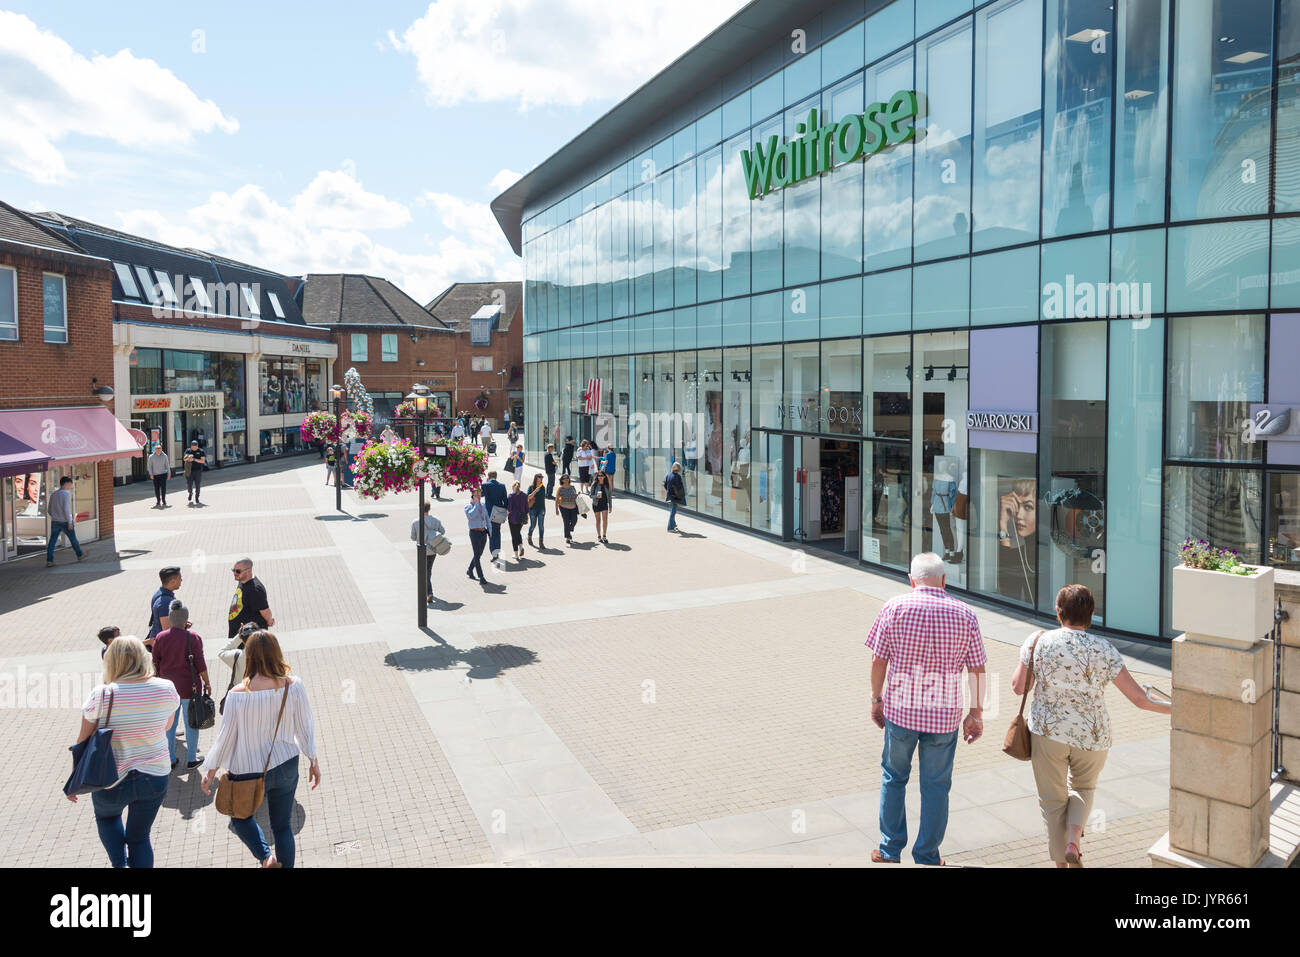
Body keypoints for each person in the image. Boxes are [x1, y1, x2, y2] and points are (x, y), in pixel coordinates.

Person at [1012, 584, 1171, 867]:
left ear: (1058, 613)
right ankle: (1074, 837)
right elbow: (1138, 698)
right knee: (1084, 788)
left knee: (1052, 802)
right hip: (1094, 735)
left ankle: (1062, 862)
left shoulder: (1038, 641)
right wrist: (1177, 710)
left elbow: (1018, 687)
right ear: (1092, 615)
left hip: (1048, 733)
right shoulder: (1104, 649)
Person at [865, 552, 987, 866]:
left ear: (912, 580)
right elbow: (977, 669)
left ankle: (890, 850)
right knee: (936, 786)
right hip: (944, 718)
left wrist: (876, 699)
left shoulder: (894, 607)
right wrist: (975, 714)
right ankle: (928, 855)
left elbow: (879, 660)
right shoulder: (966, 614)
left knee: (894, 778)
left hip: (901, 712)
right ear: (944, 580)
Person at [200, 631, 320, 868]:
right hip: (286, 763)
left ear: (249, 655)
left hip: (247, 768)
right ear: (277, 652)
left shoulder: (236, 695)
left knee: (240, 817)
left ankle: (266, 858)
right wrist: (313, 760)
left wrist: (211, 769)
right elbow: (305, 726)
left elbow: (226, 738)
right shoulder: (293, 686)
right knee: (282, 825)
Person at [68, 636, 178, 868]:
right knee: (140, 837)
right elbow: (167, 726)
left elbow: (83, 740)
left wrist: (74, 779)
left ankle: (120, 865)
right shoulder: (166, 688)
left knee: (107, 818)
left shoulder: (101, 694)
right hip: (155, 775)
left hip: (111, 778)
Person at [151, 600, 210, 771]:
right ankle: (191, 759)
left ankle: (169, 758)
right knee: (192, 722)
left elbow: (155, 663)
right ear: (186, 619)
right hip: (189, 687)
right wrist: (207, 682)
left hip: (167, 689)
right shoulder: (193, 637)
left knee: (169, 725)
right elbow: (201, 664)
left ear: (170, 617)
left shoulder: (161, 638)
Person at [228, 558, 274, 640]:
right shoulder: (242, 580)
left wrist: (269, 621)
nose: (234, 573)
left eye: (238, 571)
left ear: (248, 571)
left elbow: (265, 611)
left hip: (250, 638)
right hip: (239, 636)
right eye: (233, 570)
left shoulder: (255, 590)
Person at [411, 501, 446, 604]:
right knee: (428, 570)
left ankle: (429, 592)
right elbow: (443, 531)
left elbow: (413, 537)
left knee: (424, 572)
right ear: (429, 509)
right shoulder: (436, 520)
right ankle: (427, 591)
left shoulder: (416, 522)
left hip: (422, 550)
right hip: (434, 549)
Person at [46, 474, 85, 566]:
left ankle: (49, 560)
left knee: (52, 541)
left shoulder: (54, 494)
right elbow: (66, 509)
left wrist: (55, 516)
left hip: (55, 521)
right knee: (73, 539)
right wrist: (69, 522)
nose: (71, 486)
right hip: (65, 521)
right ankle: (79, 554)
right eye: (70, 484)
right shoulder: (66, 494)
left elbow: (49, 510)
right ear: (66, 483)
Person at [147, 566, 184, 643]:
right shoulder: (165, 602)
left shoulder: (159, 594)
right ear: (173, 581)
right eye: (180, 578)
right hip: (166, 647)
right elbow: (167, 631)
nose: (181, 580)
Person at [481, 470, 508, 566]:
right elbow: (505, 500)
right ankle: (497, 551)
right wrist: (505, 511)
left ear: (488, 476)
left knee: (491, 533)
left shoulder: (485, 485)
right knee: (497, 532)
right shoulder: (502, 486)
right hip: (499, 513)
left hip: (489, 513)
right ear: (496, 476)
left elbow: (481, 495)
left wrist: (484, 482)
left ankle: (494, 554)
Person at [464, 486, 490, 583]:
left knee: (479, 554)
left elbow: (487, 517)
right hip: (474, 532)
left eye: (480, 495)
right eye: (477, 495)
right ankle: (481, 577)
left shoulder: (483, 505)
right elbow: (471, 515)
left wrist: (490, 530)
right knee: (476, 554)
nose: (479, 497)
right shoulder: (468, 507)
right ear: (472, 496)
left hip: (483, 532)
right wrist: (476, 504)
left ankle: (470, 570)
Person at [506, 481, 529, 561]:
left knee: (514, 535)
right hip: (521, 518)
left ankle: (516, 554)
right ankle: (521, 546)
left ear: (513, 487)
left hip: (512, 518)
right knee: (518, 532)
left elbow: (509, 508)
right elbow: (527, 508)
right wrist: (526, 515)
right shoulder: (524, 495)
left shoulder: (510, 496)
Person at [555, 474, 579, 544]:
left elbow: (575, 496)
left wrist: (577, 495)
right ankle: (568, 537)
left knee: (574, 520)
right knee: (566, 522)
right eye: (564, 478)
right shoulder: (560, 488)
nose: (566, 479)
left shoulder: (572, 487)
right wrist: (556, 509)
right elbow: (557, 499)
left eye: (567, 478)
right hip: (563, 507)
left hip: (573, 507)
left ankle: (569, 530)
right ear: (562, 480)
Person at [591, 469, 613, 544]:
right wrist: (596, 496)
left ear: (604, 477)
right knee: (598, 520)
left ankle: (604, 535)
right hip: (596, 504)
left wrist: (610, 506)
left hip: (604, 504)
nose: (600, 477)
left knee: (605, 520)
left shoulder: (606, 484)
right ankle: (599, 536)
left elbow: (609, 496)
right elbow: (590, 495)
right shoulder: (594, 484)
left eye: (601, 476)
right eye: (598, 476)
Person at [663, 462, 686, 532]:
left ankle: (673, 524)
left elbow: (665, 484)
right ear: (679, 469)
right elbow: (680, 487)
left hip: (669, 496)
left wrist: (668, 491)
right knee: (673, 513)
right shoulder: (677, 477)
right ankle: (670, 528)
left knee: (672, 511)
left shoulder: (668, 475)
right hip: (674, 497)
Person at [183, 440, 206, 506]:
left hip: (198, 470)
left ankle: (197, 497)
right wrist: (188, 458)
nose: (193, 447)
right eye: (192, 446)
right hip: (189, 471)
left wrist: (194, 459)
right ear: (191, 446)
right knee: (189, 484)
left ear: (197, 446)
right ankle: (190, 493)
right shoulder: (188, 450)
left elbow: (202, 461)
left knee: (197, 484)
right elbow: (184, 459)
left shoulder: (201, 451)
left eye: (195, 446)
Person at [526, 473, 547, 548]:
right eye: (540, 477)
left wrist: (544, 509)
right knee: (533, 525)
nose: (541, 478)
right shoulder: (531, 487)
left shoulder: (543, 487)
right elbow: (528, 497)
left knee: (541, 526)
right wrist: (535, 491)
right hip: (533, 509)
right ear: (536, 478)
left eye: (542, 477)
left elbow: (543, 500)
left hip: (541, 509)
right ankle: (529, 536)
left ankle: (541, 542)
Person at [147, 443, 170, 508]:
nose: (158, 450)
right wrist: (151, 474)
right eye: (157, 449)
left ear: (161, 449)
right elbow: (149, 466)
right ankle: (158, 501)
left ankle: (164, 500)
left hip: (163, 474)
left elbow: (167, 465)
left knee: (163, 488)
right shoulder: (151, 457)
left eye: (159, 449)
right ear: (155, 449)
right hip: (155, 475)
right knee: (156, 489)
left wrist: (169, 473)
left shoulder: (165, 456)